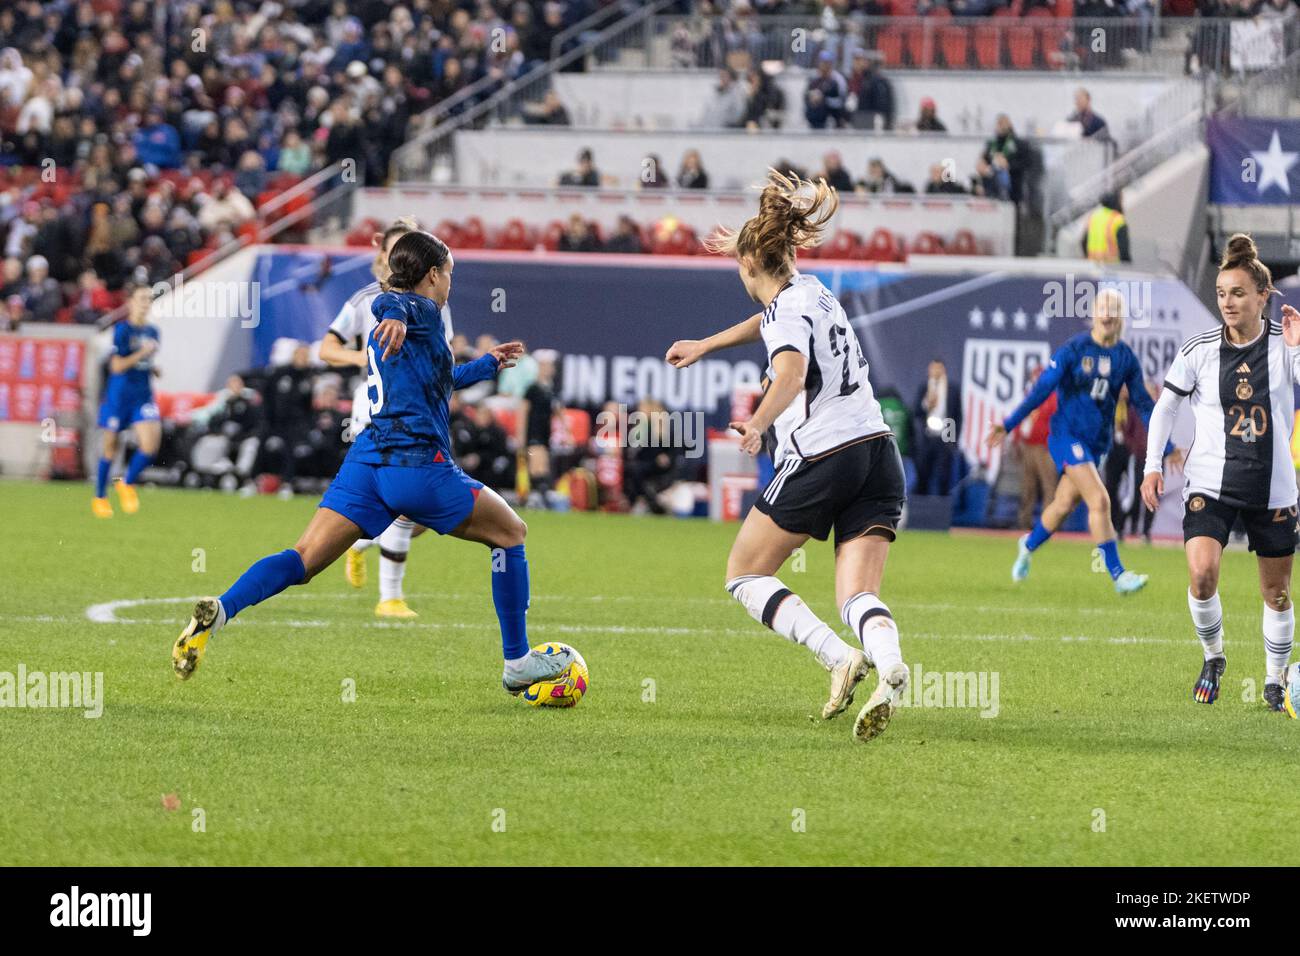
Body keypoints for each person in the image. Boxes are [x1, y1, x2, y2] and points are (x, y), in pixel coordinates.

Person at [171, 231, 575, 698]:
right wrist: (398, 316)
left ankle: (220, 611)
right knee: (511, 534)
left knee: (302, 559)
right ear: (432, 275)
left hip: (367, 463)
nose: (449, 285)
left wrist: (486, 363)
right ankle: (518, 662)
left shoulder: (410, 319)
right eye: (449, 275)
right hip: (416, 463)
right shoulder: (416, 308)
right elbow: (393, 307)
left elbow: (441, 379)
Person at [665, 169, 910, 743]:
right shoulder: (814, 291)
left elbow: (791, 369)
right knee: (857, 595)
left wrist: (756, 423)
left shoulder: (784, 312)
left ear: (749, 266)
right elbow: (770, 322)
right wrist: (708, 344)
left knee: (743, 572)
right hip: (878, 453)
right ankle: (889, 665)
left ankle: (837, 659)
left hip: (825, 456)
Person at [1141, 235, 1298, 713]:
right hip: (1210, 481)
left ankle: (1275, 681)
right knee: (1203, 574)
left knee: (1276, 592)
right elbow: (1165, 408)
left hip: (1272, 487)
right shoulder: (1199, 350)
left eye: (1239, 293)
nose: (1228, 302)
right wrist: (1152, 466)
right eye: (1222, 293)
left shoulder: (1285, 344)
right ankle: (1213, 657)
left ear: (1262, 297)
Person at [987, 288, 1162, 595]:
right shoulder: (1074, 349)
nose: (1107, 313)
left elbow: (1143, 406)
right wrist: (1009, 424)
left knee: (1063, 504)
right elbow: (1041, 391)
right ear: (1093, 314)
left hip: (1097, 445)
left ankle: (1027, 545)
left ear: (1120, 318)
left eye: (1113, 308)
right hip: (1066, 437)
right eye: (1102, 307)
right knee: (1100, 500)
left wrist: (1168, 445)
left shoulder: (1125, 358)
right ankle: (1119, 575)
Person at [319, 217, 450, 619]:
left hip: (421, 406)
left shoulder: (434, 300)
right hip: (375, 405)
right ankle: (389, 596)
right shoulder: (365, 300)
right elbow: (326, 348)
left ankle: (358, 542)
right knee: (403, 499)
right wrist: (366, 356)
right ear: (384, 255)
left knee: (420, 513)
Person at [93, 285, 160, 519]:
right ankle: (100, 497)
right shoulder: (122, 330)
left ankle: (126, 483)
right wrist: (142, 354)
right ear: (130, 302)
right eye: (142, 298)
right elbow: (117, 366)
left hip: (142, 397)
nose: (146, 303)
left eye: (149, 299)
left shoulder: (153, 331)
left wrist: (153, 368)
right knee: (111, 448)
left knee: (151, 444)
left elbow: (142, 363)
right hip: (118, 398)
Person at [913, 359, 962, 494]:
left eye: (938, 368)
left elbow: (957, 416)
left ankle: (942, 509)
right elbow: (916, 411)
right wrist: (926, 404)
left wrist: (952, 440)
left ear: (944, 370)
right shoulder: (924, 388)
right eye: (933, 369)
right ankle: (921, 509)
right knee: (923, 473)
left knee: (944, 475)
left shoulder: (952, 389)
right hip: (927, 437)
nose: (936, 372)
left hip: (945, 436)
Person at [1082, 191, 1131, 264]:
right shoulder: (1118, 220)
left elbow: (1084, 242)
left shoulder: (1094, 216)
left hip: (1093, 268)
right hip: (1112, 268)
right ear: (1117, 201)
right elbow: (1124, 250)